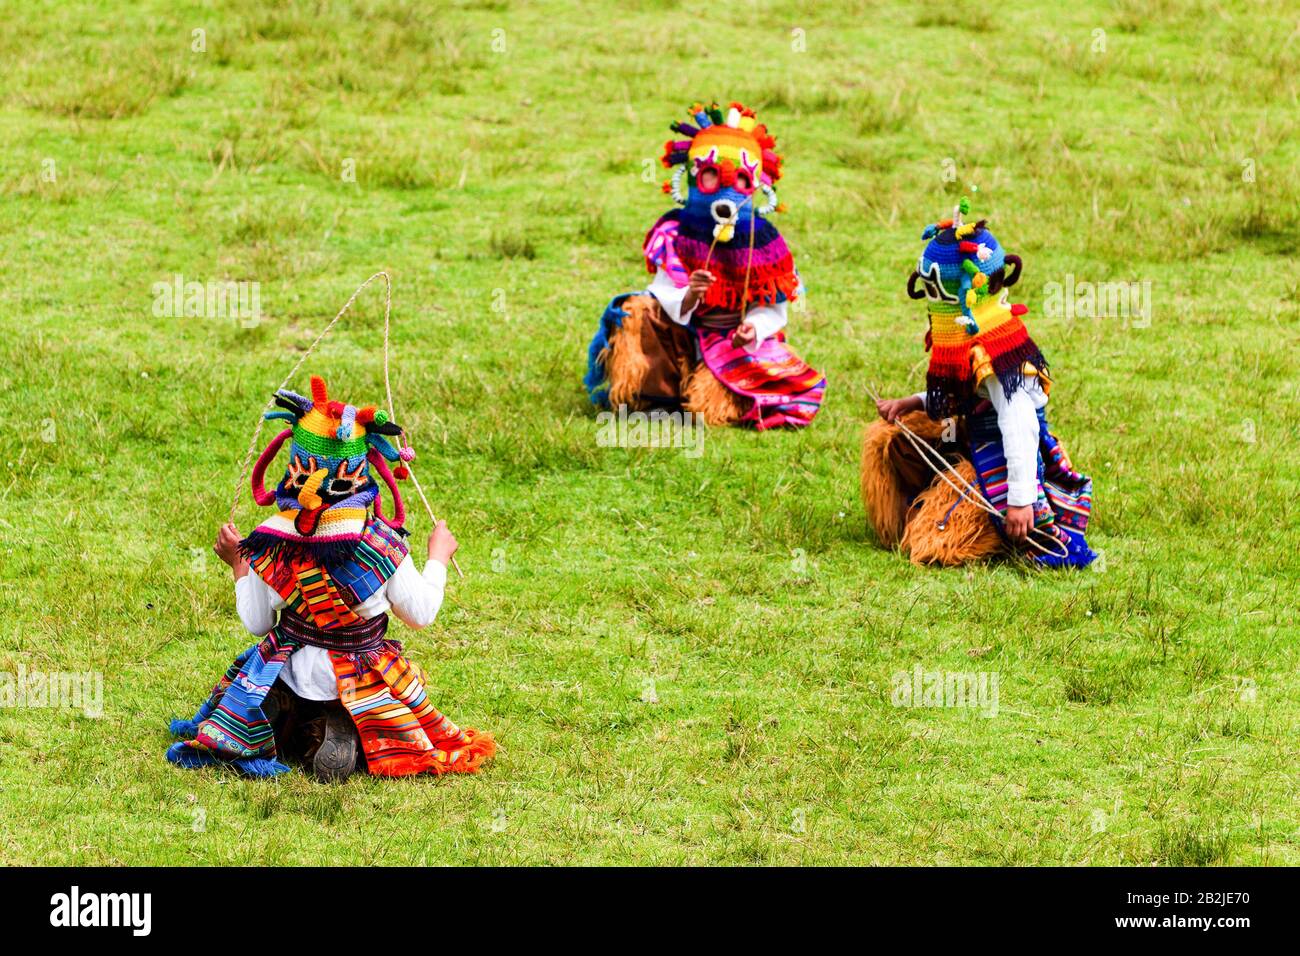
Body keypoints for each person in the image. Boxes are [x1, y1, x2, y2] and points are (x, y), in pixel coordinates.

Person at [166, 376, 495, 779]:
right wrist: (438, 557)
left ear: (294, 464)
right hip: (354, 678)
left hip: (287, 666)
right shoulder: (384, 546)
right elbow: (420, 614)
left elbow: (257, 624)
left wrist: (238, 565)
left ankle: (275, 716)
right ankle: (339, 723)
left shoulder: (272, 540)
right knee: (367, 695)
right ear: (362, 469)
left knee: (263, 669)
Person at [862, 199, 1096, 567]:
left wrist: (1021, 500)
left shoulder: (998, 352)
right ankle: (916, 504)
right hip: (974, 436)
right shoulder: (972, 338)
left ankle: (979, 525)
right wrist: (915, 402)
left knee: (940, 540)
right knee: (892, 441)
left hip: (1006, 454)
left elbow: (1020, 423)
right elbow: (969, 395)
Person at [585, 101, 825, 430]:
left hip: (735, 342)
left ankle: (717, 391)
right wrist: (689, 295)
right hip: (685, 333)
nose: (725, 190)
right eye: (712, 175)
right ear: (695, 178)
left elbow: (773, 309)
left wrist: (752, 328)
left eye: (740, 180)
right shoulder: (676, 233)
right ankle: (656, 392)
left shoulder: (765, 244)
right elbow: (662, 292)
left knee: (711, 405)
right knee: (634, 310)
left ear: (754, 185)